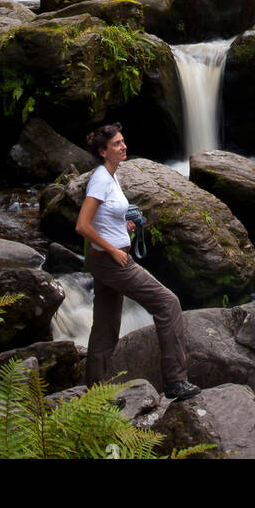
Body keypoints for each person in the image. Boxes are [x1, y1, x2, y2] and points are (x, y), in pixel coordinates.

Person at [76, 122, 200, 401]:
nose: (124, 146)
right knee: (168, 304)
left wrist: (124, 227)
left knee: (105, 327)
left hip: (106, 260)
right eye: (117, 144)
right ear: (102, 151)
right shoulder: (99, 179)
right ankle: (175, 380)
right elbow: (82, 225)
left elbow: (103, 217)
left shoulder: (111, 176)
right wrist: (113, 249)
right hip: (113, 262)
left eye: (123, 141)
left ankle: (95, 393)